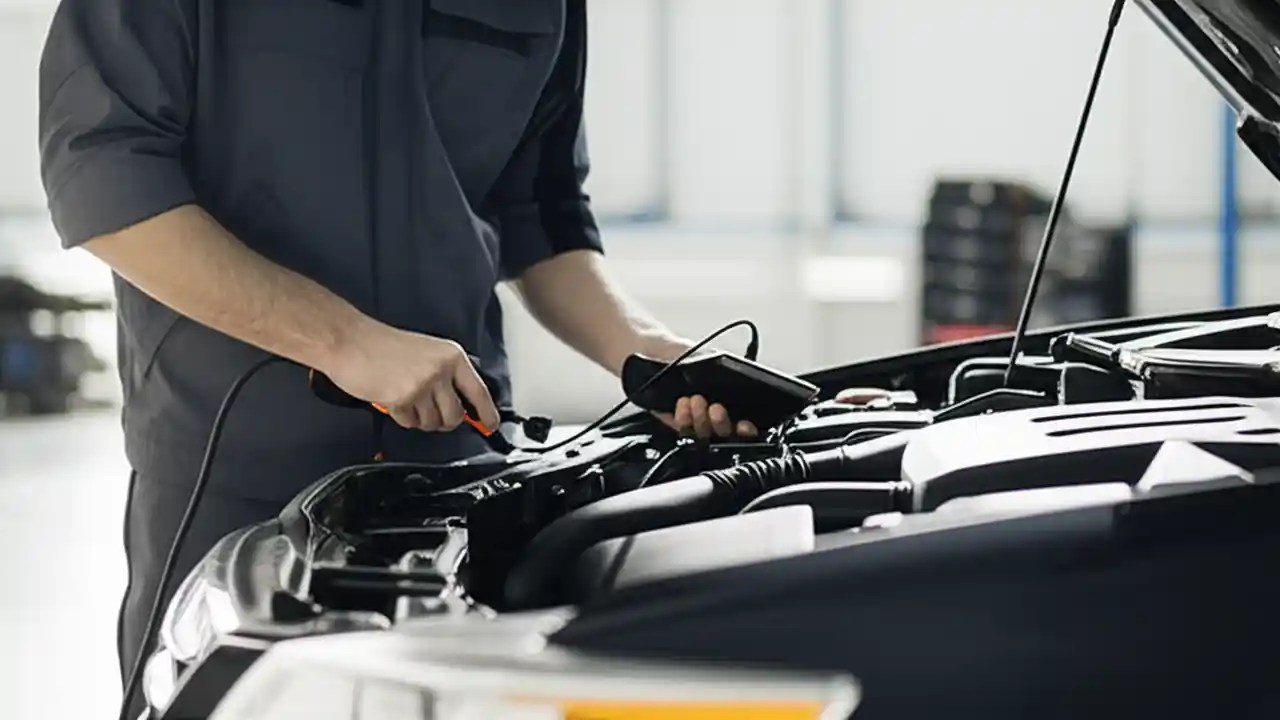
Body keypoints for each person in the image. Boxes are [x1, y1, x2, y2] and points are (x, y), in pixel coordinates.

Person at [37, 1, 755, 715]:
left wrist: (653, 354)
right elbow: (102, 174)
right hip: (228, 469)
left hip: (458, 476)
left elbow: (543, 212)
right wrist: (343, 342)